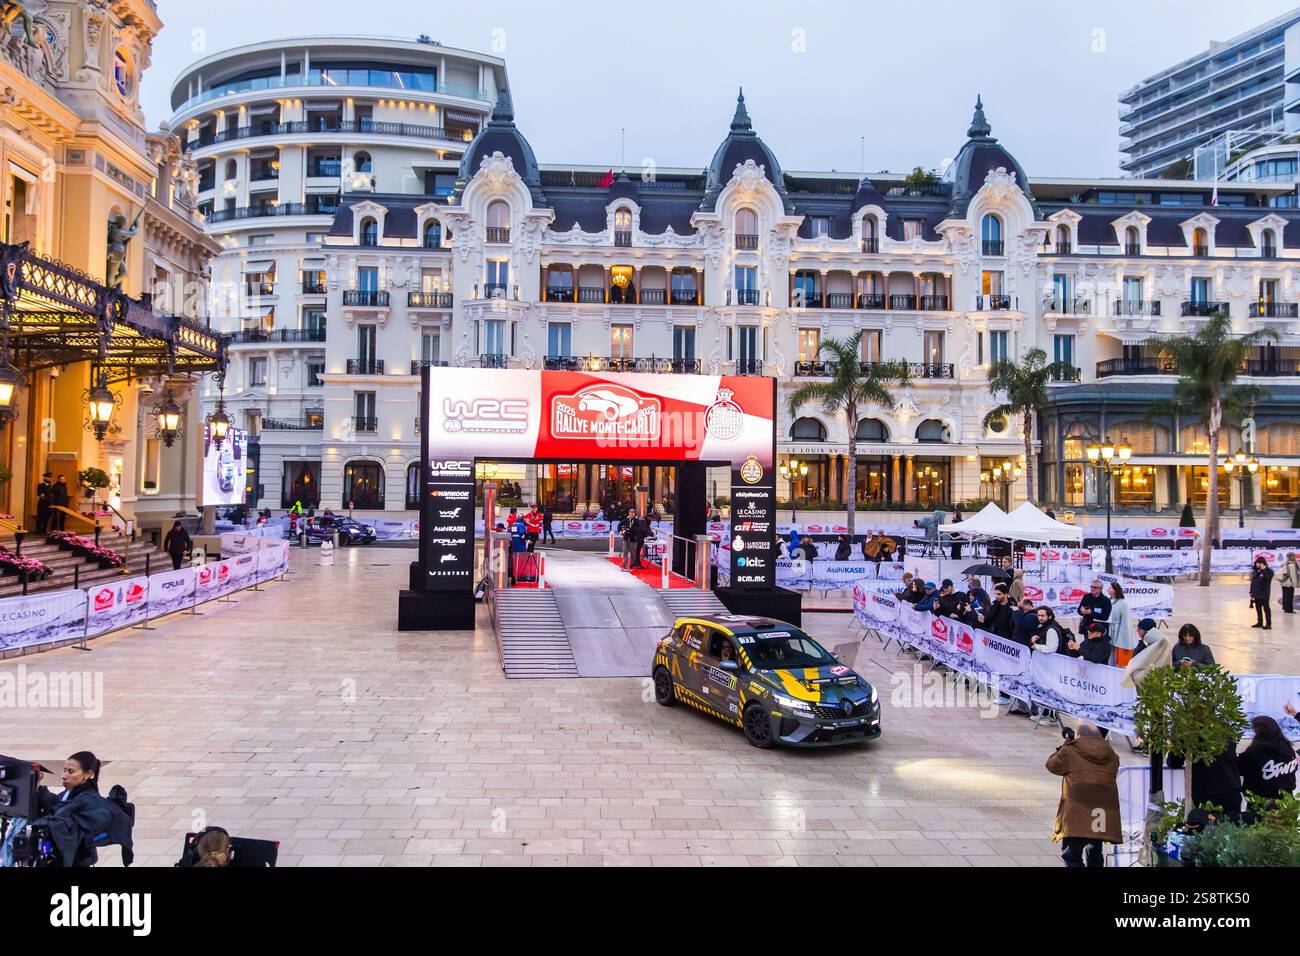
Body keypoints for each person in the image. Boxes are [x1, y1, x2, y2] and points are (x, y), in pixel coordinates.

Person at [29, 751, 134, 867]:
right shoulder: (70, 793)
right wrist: (36, 786)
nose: (64, 776)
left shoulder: (89, 799)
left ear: (87, 774)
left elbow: (63, 813)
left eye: (71, 771)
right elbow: (57, 804)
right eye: (64, 770)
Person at [1046, 723, 1121, 868]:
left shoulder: (1069, 751)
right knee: (1094, 854)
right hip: (1100, 815)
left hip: (1076, 814)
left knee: (1071, 856)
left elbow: (1052, 765)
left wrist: (1067, 742)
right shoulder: (1112, 755)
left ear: (1079, 736)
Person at [1167, 744, 1243, 818]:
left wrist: (1176, 742)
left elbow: (1174, 762)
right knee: (1233, 827)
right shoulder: (1227, 732)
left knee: (1204, 828)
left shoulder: (1190, 734)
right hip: (1230, 787)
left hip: (1205, 792)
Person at [1238, 716, 1298, 802]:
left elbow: (1240, 769)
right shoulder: (1287, 747)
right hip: (1286, 802)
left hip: (1260, 801)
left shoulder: (1255, 751)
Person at [1106, 581, 1135, 666]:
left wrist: (1123, 637)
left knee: (1116, 652)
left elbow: (1126, 621)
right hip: (1107, 629)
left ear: (1115, 590)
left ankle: (1115, 667)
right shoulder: (1107, 601)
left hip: (1117, 631)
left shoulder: (1123, 604)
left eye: (1110, 588)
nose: (1108, 589)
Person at [1250, 556, 1275, 630]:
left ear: (1262, 563)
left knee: (1266, 609)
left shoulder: (1269, 571)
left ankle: (1268, 624)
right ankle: (1260, 622)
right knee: (1258, 609)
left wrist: (1263, 570)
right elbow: (1253, 582)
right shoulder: (1256, 571)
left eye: (1258, 563)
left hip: (1264, 594)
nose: (1257, 565)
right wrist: (1251, 592)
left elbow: (1267, 579)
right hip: (1257, 594)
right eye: (1256, 563)